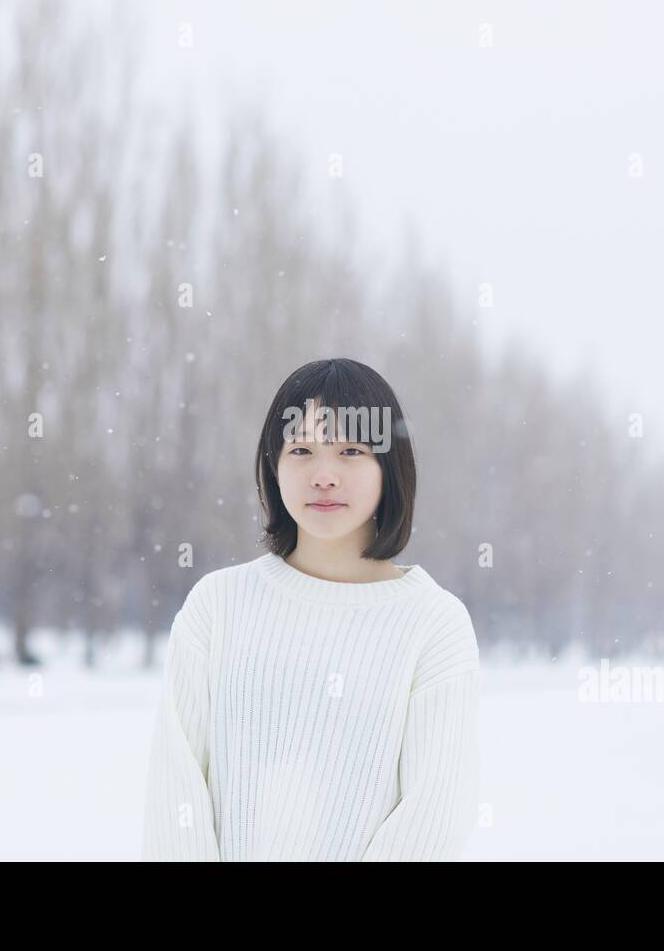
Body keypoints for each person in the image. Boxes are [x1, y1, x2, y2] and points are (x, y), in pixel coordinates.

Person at [140, 358, 481, 861]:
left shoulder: (433, 624)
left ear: (390, 468)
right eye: (301, 449)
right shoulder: (218, 606)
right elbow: (176, 794)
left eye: (350, 450)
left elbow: (434, 814)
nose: (324, 475)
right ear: (273, 466)